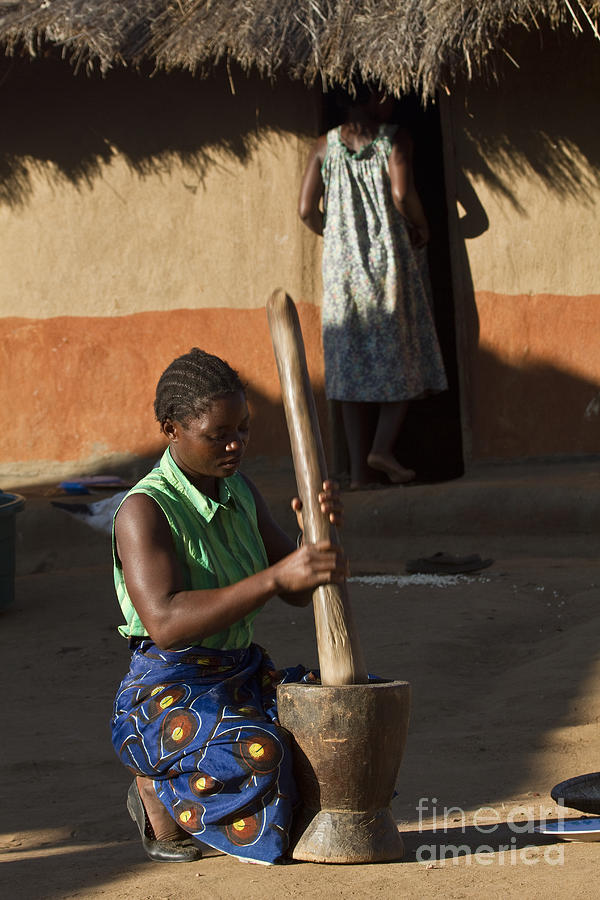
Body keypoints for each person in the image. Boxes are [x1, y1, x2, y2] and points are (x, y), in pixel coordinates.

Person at [110, 348, 346, 866]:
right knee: (260, 753)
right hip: (173, 683)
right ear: (171, 429)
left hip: (238, 670)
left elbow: (298, 587)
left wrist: (317, 534)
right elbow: (167, 623)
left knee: (326, 733)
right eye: (218, 435)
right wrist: (273, 577)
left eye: (243, 428)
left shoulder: (239, 490)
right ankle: (155, 788)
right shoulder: (144, 510)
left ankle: (186, 789)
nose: (235, 444)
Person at [298, 87, 448, 490]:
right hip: (387, 263)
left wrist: (333, 235)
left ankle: (361, 475)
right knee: (401, 354)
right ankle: (381, 448)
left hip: (341, 272)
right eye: (385, 92)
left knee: (348, 368)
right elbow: (402, 194)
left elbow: (305, 210)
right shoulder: (395, 138)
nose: (394, 98)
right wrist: (423, 226)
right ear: (366, 96)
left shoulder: (324, 145)